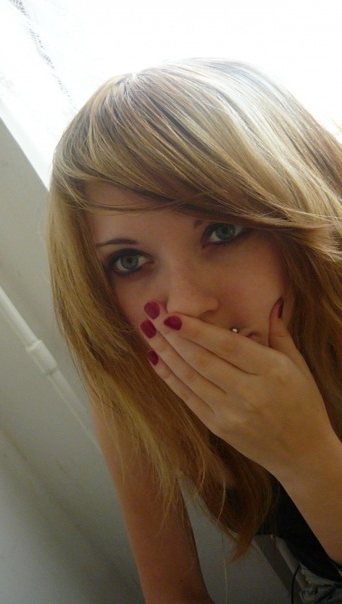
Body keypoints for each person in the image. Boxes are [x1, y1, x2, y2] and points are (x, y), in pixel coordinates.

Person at [47, 58, 342, 603]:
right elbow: (173, 590)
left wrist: (308, 459)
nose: (187, 304)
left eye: (223, 231)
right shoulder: (136, 373)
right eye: (130, 262)